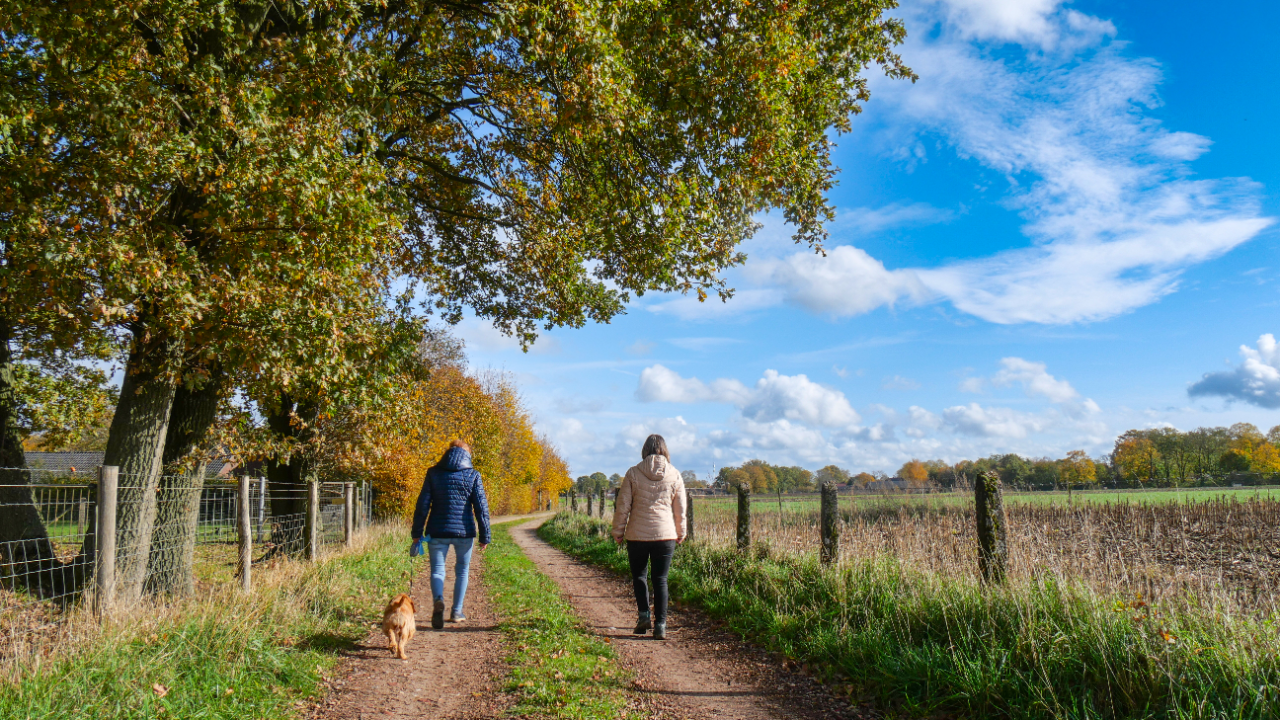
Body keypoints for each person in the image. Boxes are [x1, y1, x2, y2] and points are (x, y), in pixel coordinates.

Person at [611, 433, 686, 640]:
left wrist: (618, 531)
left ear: (644, 450)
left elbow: (622, 506)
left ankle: (644, 616)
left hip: (637, 535)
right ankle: (661, 625)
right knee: (661, 579)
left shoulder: (633, 473)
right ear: (665, 450)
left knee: (639, 577)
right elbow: (680, 508)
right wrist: (681, 532)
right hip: (665, 536)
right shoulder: (674, 474)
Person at [411, 439, 491, 629]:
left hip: (436, 530)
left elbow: (422, 505)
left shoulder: (433, 473)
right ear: (467, 455)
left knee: (438, 569)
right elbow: (481, 508)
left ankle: (438, 600)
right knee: (462, 571)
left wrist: (417, 533)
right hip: (464, 532)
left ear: (448, 453)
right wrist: (484, 535)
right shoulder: (473, 475)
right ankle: (456, 611)